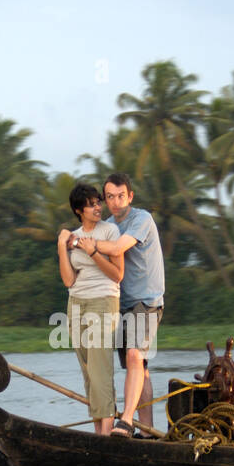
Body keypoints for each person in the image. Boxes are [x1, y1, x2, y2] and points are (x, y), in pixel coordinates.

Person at [75, 172, 164, 437]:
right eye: (110, 197)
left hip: (145, 299)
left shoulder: (141, 219)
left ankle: (125, 421)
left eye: (120, 196)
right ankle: (146, 431)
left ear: (131, 196)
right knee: (140, 368)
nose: (115, 202)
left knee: (135, 355)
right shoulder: (109, 225)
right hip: (119, 303)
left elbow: (116, 249)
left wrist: (81, 242)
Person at [57, 183, 123, 434]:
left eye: (99, 202)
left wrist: (93, 251)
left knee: (100, 368)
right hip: (76, 302)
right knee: (87, 370)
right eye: (91, 204)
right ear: (78, 210)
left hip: (103, 300)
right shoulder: (72, 236)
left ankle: (106, 433)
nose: (98, 207)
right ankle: (99, 432)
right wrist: (61, 246)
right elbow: (68, 280)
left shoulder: (110, 231)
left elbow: (117, 275)